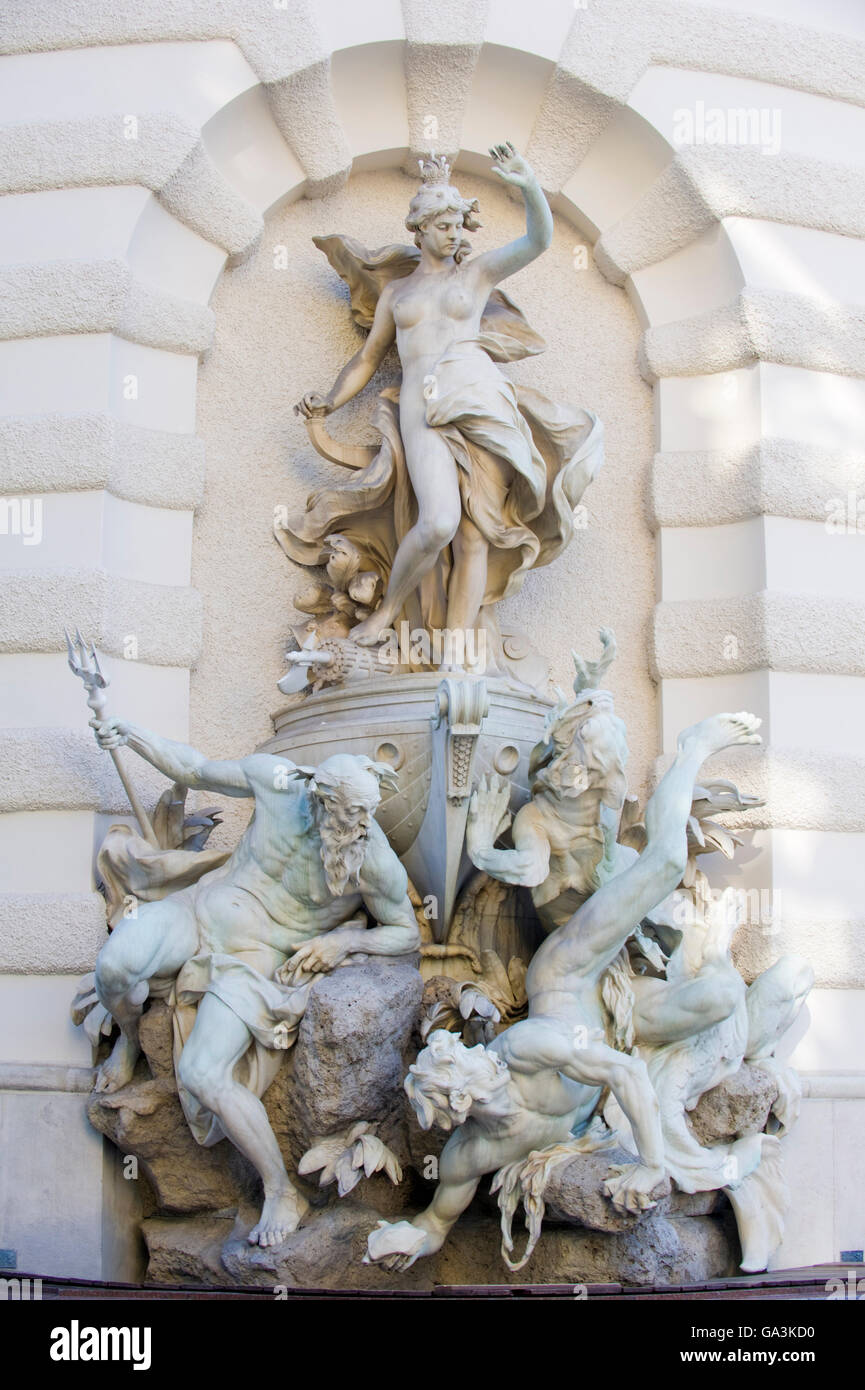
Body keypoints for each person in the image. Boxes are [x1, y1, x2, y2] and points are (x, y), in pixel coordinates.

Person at [365, 712, 762, 1270]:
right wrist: (409, 1237)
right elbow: (434, 1222)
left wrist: (650, 1164)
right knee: (719, 1000)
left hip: (568, 974)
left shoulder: (521, 1051)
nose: (475, 1054)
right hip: (615, 1018)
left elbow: (624, 1075)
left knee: (666, 863)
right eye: (460, 1065)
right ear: (461, 1103)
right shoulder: (471, 1154)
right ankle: (712, 952)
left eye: (460, 1053)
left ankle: (692, 746)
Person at [89, 716, 419, 1248]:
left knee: (202, 1073)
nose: (358, 827)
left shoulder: (372, 860)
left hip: (252, 961)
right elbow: (194, 768)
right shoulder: (277, 782)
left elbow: (406, 934)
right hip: (197, 909)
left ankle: (280, 1190)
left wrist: (342, 944)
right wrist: (129, 734)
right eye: (347, 815)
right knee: (115, 966)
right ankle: (129, 1041)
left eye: (365, 815)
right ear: (318, 796)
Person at [290, 143, 602, 652]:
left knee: (476, 533)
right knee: (438, 522)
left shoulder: (475, 276)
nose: (454, 233)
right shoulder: (397, 295)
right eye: (442, 225)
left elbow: (537, 240)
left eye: (458, 224)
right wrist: (329, 401)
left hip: (478, 398)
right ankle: (388, 611)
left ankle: (457, 652)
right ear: (419, 228)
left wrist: (529, 187)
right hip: (422, 407)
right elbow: (368, 358)